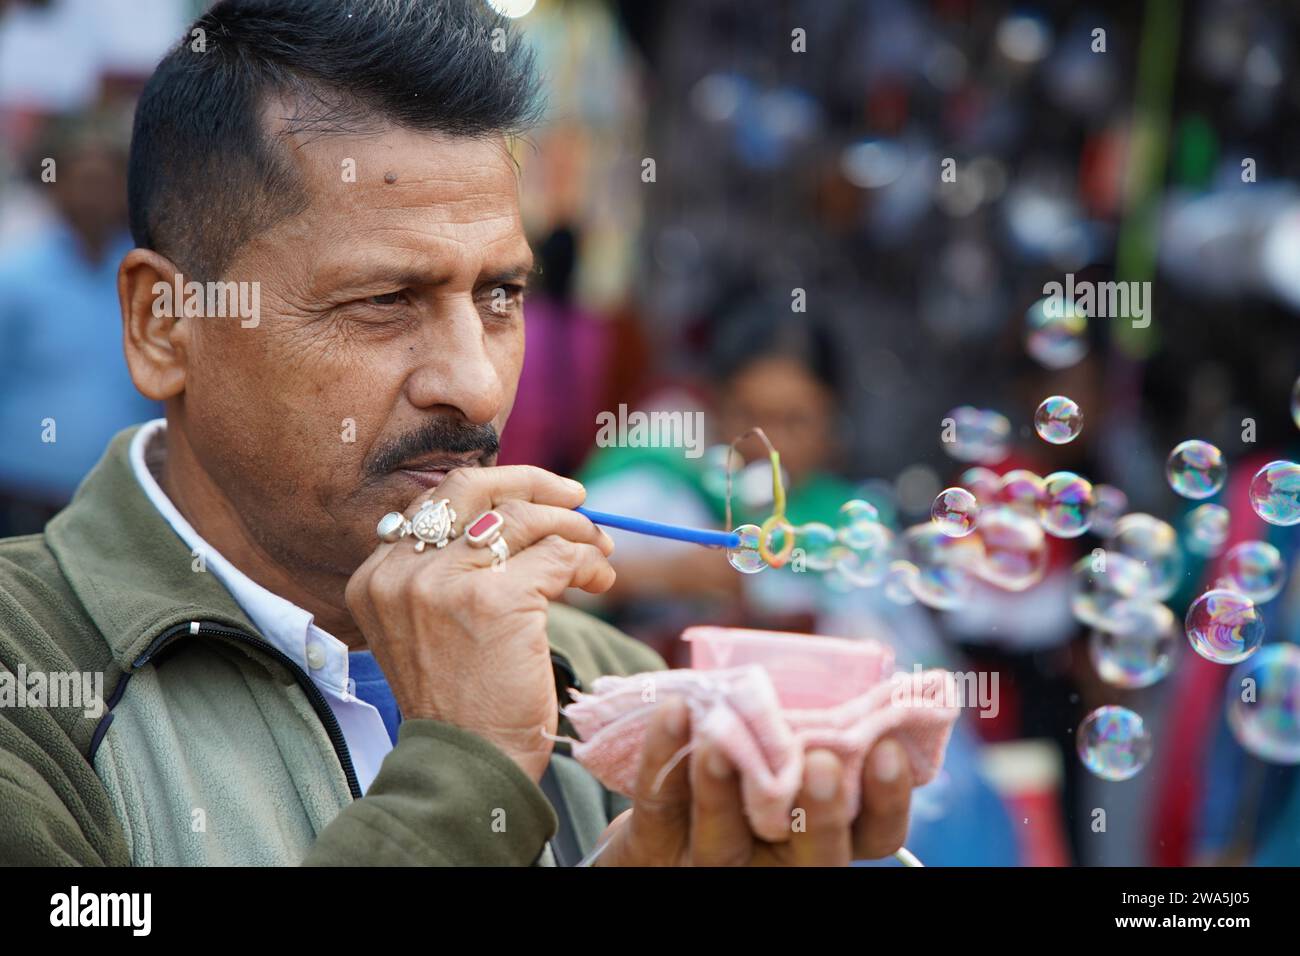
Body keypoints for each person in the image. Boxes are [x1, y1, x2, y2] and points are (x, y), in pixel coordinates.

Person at [0, 0, 913, 866]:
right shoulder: (32, 681)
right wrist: (462, 764)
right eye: (384, 301)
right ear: (165, 325)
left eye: (499, 295)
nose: (474, 385)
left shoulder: (601, 682)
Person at [0, 111, 160, 536]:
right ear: (53, 183)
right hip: (23, 500)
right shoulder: (15, 277)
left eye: (108, 179)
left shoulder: (149, 276)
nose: (97, 193)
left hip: (123, 497)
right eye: (84, 177)